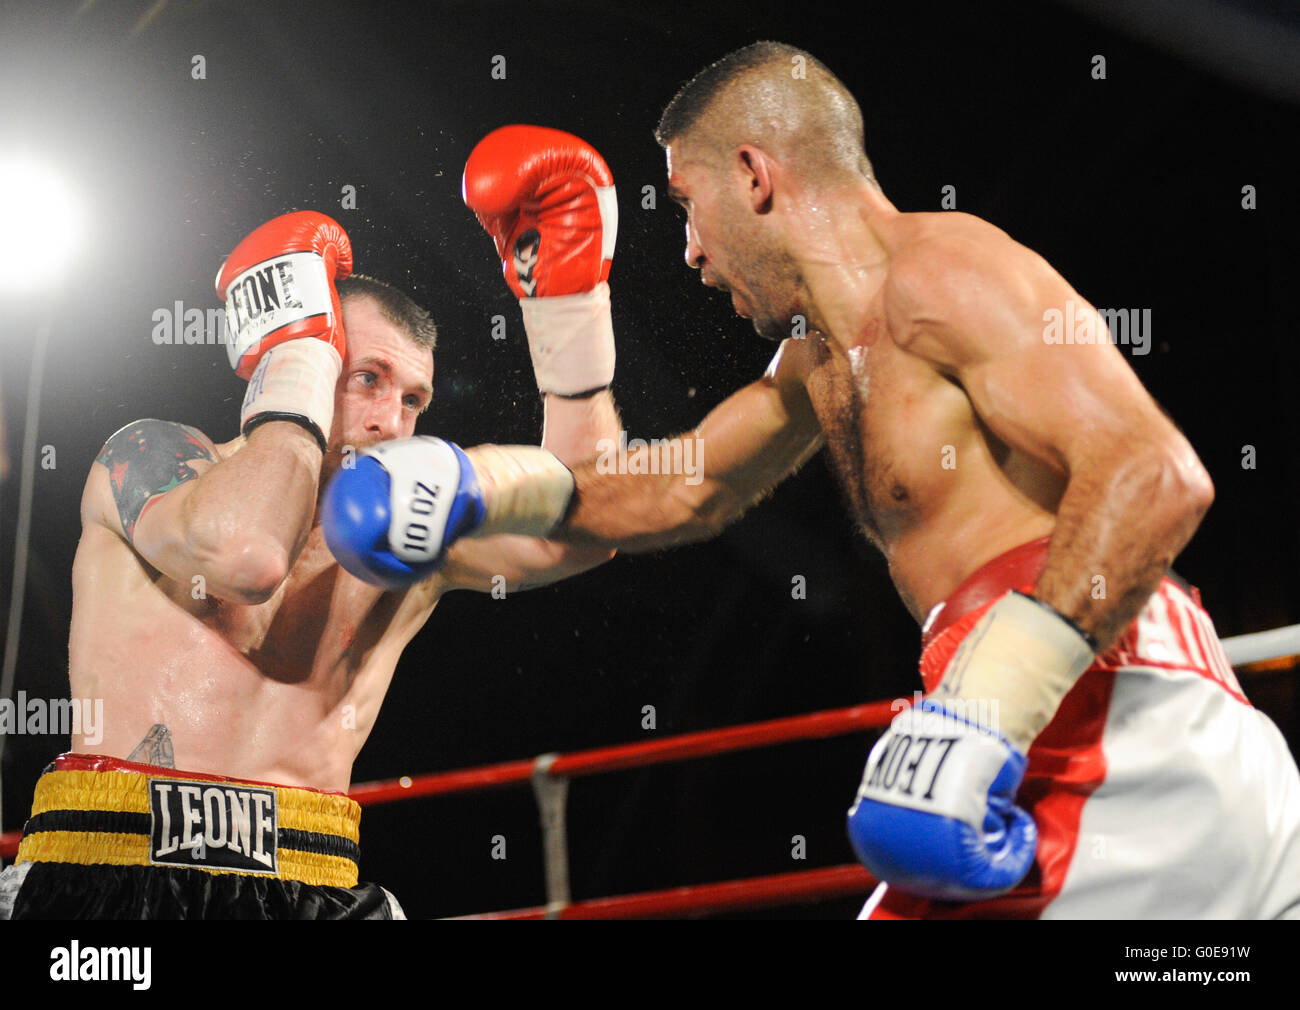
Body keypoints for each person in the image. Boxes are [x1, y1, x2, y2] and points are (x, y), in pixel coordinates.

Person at [359, 45, 1300, 918]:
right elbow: (674, 490)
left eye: (688, 205)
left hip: (1119, 732)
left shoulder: (945, 271)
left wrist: (988, 706)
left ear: (755, 175)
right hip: (1040, 728)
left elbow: (1158, 475)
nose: (689, 251)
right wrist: (470, 484)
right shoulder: (816, 363)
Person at [0, 159, 622, 920]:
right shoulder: (156, 458)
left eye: (413, 398)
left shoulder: (407, 535)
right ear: (307, 355)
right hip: (113, 867)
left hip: (311, 878)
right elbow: (247, 554)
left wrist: (568, 307)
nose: (392, 422)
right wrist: (292, 368)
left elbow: (592, 527)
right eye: (367, 378)